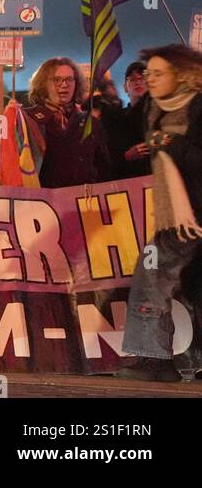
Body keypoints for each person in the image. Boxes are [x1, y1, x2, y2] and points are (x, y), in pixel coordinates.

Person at [117, 45, 202, 382]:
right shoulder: (153, 107)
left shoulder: (198, 106)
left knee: (152, 275)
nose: (149, 79)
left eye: (157, 73)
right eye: (146, 73)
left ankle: (153, 358)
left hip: (192, 212)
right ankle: (160, 361)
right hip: (176, 216)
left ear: (180, 75)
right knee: (188, 285)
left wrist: (171, 144)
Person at [22, 57, 109, 187]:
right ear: (43, 83)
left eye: (69, 79)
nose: (64, 84)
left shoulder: (91, 123)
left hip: (84, 203)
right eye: (57, 80)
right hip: (42, 202)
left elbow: (104, 169)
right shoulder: (28, 119)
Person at [108, 61, 152, 180]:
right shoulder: (117, 119)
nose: (138, 82)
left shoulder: (160, 116)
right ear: (125, 88)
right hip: (129, 184)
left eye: (142, 78)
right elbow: (107, 157)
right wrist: (126, 156)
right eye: (132, 79)